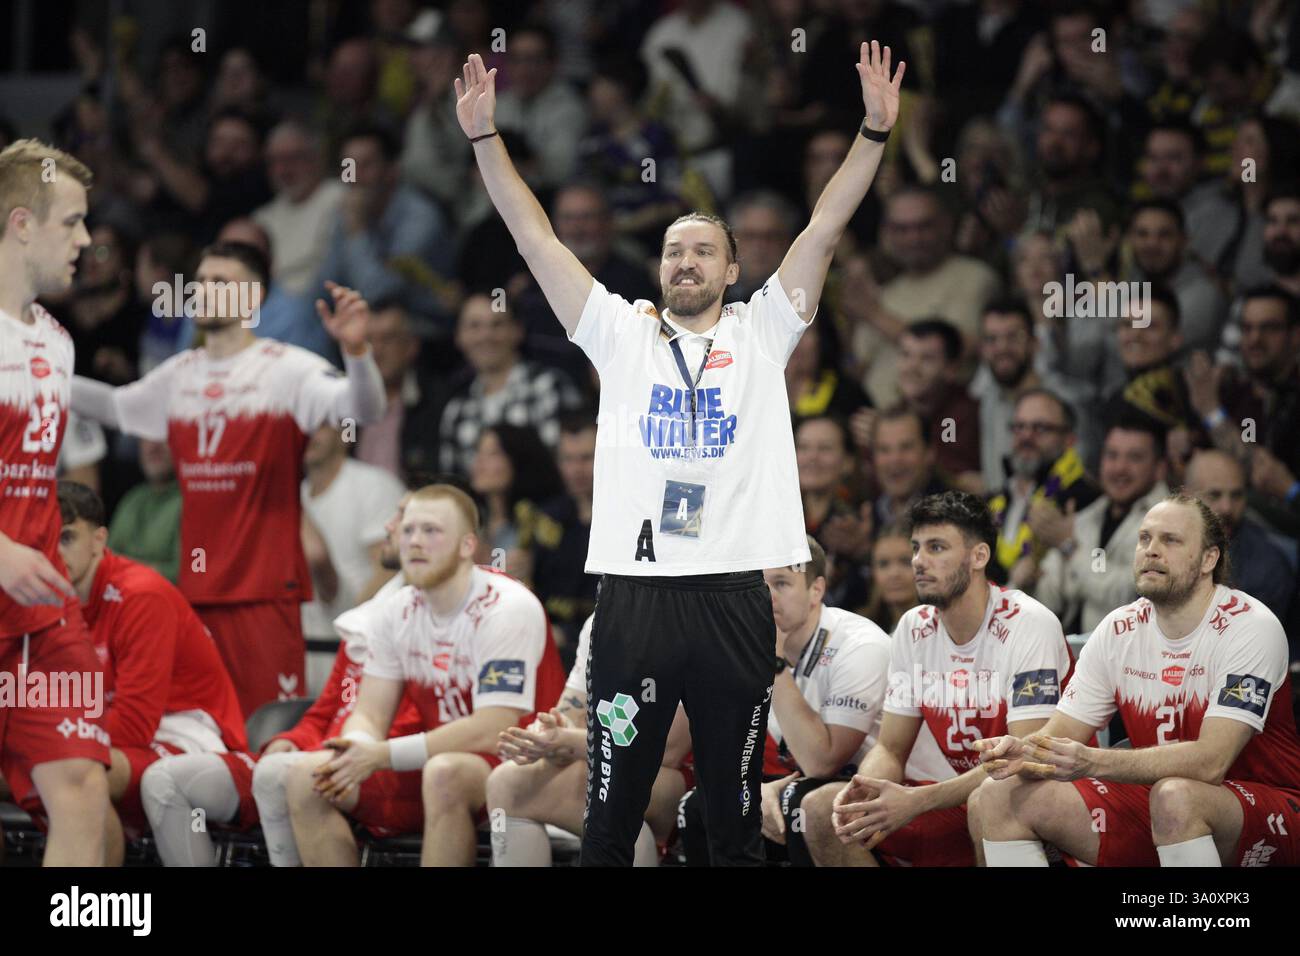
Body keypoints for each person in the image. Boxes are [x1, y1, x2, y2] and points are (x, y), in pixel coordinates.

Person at [456, 40, 904, 865]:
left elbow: (826, 226)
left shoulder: (764, 329)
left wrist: (873, 134)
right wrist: (487, 140)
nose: (685, 261)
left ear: (734, 269)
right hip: (636, 598)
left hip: (735, 596)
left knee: (731, 808)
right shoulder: (619, 331)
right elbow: (537, 239)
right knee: (611, 802)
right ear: (658, 267)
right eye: (673, 250)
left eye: (703, 250)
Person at [70, 240, 387, 716]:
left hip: (265, 590)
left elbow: (364, 409)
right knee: (201, 733)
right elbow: (116, 407)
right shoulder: (178, 375)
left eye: (221, 283)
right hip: (194, 588)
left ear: (255, 298)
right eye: (199, 283)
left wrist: (357, 351)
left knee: (266, 735)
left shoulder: (288, 369)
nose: (203, 292)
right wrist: (37, 364)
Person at [972, 494, 1300, 867]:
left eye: (1170, 540)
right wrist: (1024, 752)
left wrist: (1091, 761)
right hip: (1160, 807)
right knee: (997, 795)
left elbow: (1211, 763)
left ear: (1210, 559)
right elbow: (1058, 735)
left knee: (1177, 796)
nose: (1151, 551)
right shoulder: (1118, 628)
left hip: (1270, 808)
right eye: (1144, 539)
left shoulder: (1249, 626)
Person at [282, 485, 566, 866]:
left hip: (524, 767)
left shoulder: (506, 606)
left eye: (431, 531)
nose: (415, 542)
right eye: (409, 530)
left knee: (443, 773)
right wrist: (356, 747)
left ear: (467, 546)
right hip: (440, 763)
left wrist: (381, 755)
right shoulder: (395, 610)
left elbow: (492, 728)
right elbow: (370, 712)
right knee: (307, 777)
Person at [139, 501, 423, 867]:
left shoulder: (455, 617)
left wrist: (326, 754)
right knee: (163, 781)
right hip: (318, 758)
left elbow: (418, 726)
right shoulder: (370, 617)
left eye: (408, 520)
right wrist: (289, 740)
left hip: (378, 772)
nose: (389, 524)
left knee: (281, 776)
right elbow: (324, 711)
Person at [798, 491, 1074, 867]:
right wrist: (866, 792)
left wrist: (916, 801)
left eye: (936, 548)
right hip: (958, 796)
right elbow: (891, 749)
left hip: (1036, 800)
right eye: (916, 548)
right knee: (822, 809)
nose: (918, 561)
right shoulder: (912, 628)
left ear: (979, 556)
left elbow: (1022, 762)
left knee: (989, 798)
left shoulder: (1028, 624)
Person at [678, 536, 948, 866]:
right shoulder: (738, 646)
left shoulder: (859, 646)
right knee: (700, 808)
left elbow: (822, 761)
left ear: (816, 590)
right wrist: (759, 787)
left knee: (798, 804)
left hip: (896, 793)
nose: (767, 598)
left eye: (781, 583)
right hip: (809, 781)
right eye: (757, 585)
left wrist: (772, 663)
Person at [0, 138, 111, 865]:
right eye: (70, 222)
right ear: (19, 224)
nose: (86, 239)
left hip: (39, 611)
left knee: (81, 787)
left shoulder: (60, 342)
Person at [55, 481, 245, 862]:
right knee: (55, 769)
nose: (54, 552)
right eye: (44, 540)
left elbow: (135, 724)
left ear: (98, 539)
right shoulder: (42, 601)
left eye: (67, 537)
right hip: (101, 739)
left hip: (187, 736)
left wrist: (50, 740)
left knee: (76, 776)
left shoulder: (141, 596)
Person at [487, 613, 692, 867]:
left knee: (610, 788)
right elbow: (569, 711)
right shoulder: (602, 618)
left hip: (688, 778)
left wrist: (565, 740)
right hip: (610, 759)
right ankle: (636, 846)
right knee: (507, 782)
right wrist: (546, 735)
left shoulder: (688, 615)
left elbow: (667, 751)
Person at [1034, 418, 1171, 635]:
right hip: (1073, 651)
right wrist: (1032, 570)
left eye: (1134, 458)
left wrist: (1069, 548)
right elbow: (1050, 594)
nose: (1119, 468)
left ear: (1159, 468)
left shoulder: (1169, 521)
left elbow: (1127, 595)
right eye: (1112, 455)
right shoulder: (1089, 515)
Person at [300, 423, 407, 642]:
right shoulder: (295, 494)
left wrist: (352, 625)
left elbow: (390, 571)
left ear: (344, 434)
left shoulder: (372, 484)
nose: (309, 432)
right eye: (303, 425)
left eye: (321, 425)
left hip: (362, 641)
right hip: (310, 642)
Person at [106, 439, 181, 583]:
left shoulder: (191, 503)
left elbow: (188, 572)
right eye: (146, 438)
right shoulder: (133, 498)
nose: (154, 446)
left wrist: (125, 571)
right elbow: (106, 559)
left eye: (164, 437)